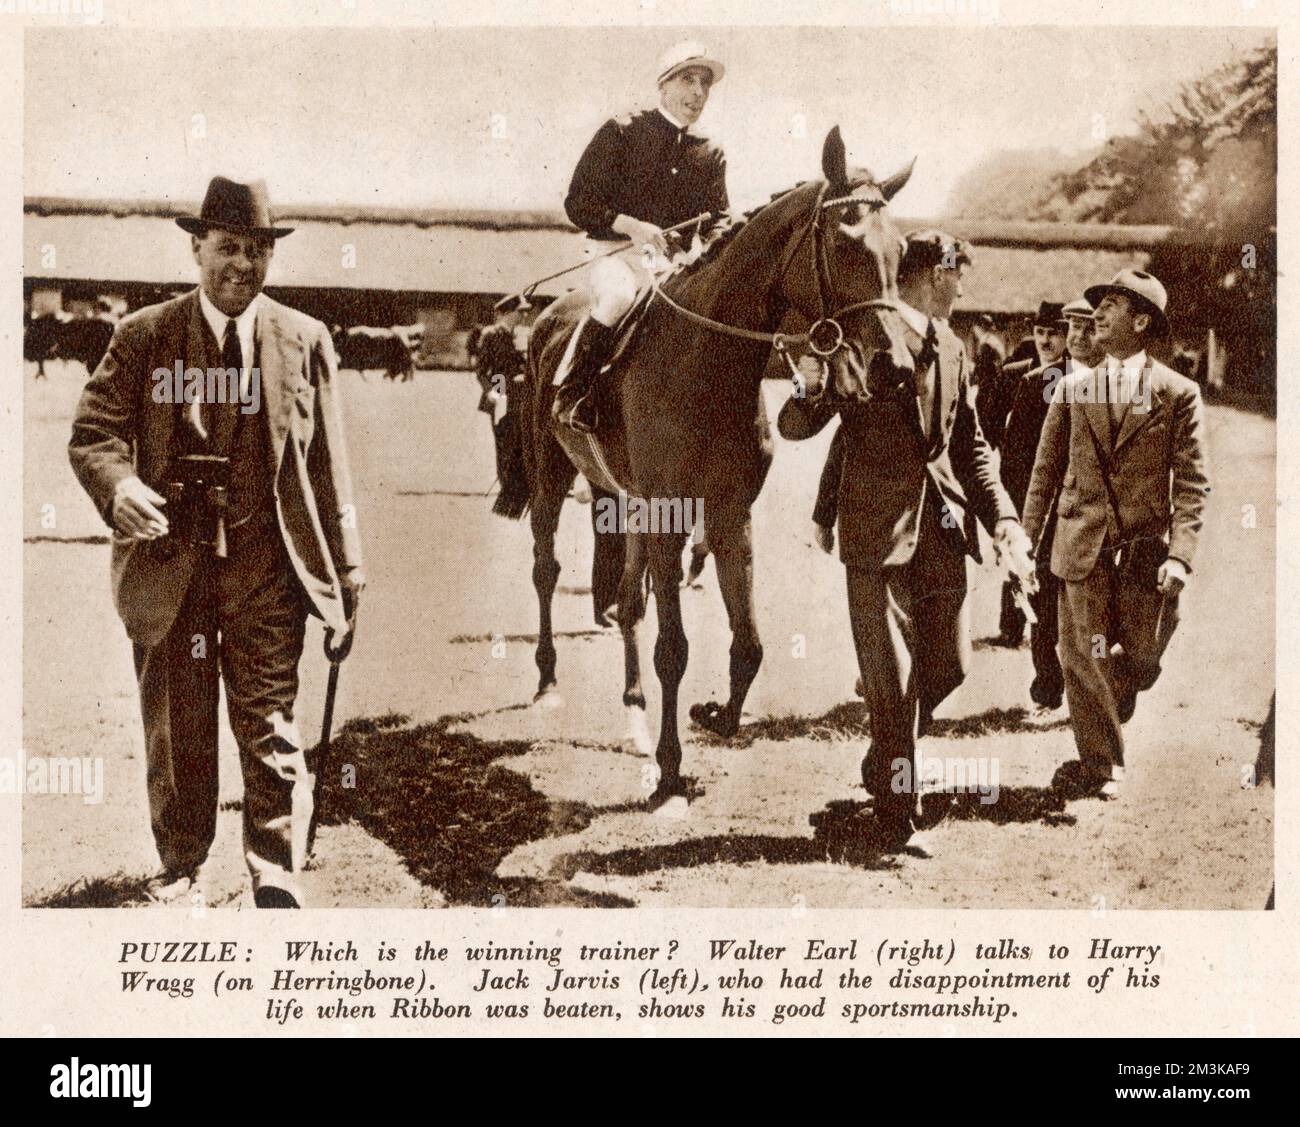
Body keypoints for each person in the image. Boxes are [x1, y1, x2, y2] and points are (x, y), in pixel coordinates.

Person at [68, 176, 365, 907]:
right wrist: (121, 487)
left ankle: (273, 868)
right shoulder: (144, 336)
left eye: (258, 250)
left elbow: (330, 466)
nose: (243, 264)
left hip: (269, 568)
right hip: (174, 567)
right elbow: (94, 433)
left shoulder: (304, 340)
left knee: (269, 716)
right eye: (228, 247)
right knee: (180, 721)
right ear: (196, 247)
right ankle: (182, 862)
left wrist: (349, 565)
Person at [780, 231, 1032, 850]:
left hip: (945, 529)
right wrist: (810, 385)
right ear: (933, 275)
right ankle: (898, 811)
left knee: (950, 665)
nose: (965, 288)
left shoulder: (953, 344)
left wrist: (1003, 519)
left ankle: (883, 758)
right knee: (889, 679)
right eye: (959, 275)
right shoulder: (861, 337)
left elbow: (969, 444)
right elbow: (799, 426)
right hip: (874, 530)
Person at [1021, 269, 1210, 798]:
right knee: (1082, 654)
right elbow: (1044, 473)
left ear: (1142, 320)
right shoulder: (1072, 389)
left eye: (1111, 306)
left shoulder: (1179, 394)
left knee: (1144, 656)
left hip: (1145, 554)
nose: (1096, 314)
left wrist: (1180, 557)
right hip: (1079, 546)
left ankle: (1116, 693)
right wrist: (1023, 540)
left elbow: (1194, 482)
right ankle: (1102, 764)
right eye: (1097, 305)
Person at [555, 39, 730, 432]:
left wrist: (713, 247)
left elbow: (720, 218)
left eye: (705, 84)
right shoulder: (623, 130)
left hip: (671, 264)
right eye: (688, 80)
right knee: (618, 297)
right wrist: (630, 225)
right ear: (664, 85)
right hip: (614, 253)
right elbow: (578, 202)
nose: (698, 92)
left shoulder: (710, 151)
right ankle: (573, 393)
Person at [996, 296, 1105, 710]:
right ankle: (1047, 684)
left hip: (1093, 515)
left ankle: (1094, 688)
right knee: (1042, 597)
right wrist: (1019, 519)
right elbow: (1016, 457)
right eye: (1071, 326)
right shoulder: (1037, 382)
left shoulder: (1115, 384)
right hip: (1044, 515)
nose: (1077, 335)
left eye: (1087, 326)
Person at [978, 301, 1068, 646]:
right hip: (1017, 477)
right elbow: (986, 423)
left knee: (1049, 556)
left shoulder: (1073, 377)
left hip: (1056, 480)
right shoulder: (1015, 374)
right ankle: (1011, 627)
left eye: (1054, 334)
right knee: (1016, 548)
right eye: (1040, 332)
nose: (1045, 341)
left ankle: (1047, 629)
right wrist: (1005, 450)